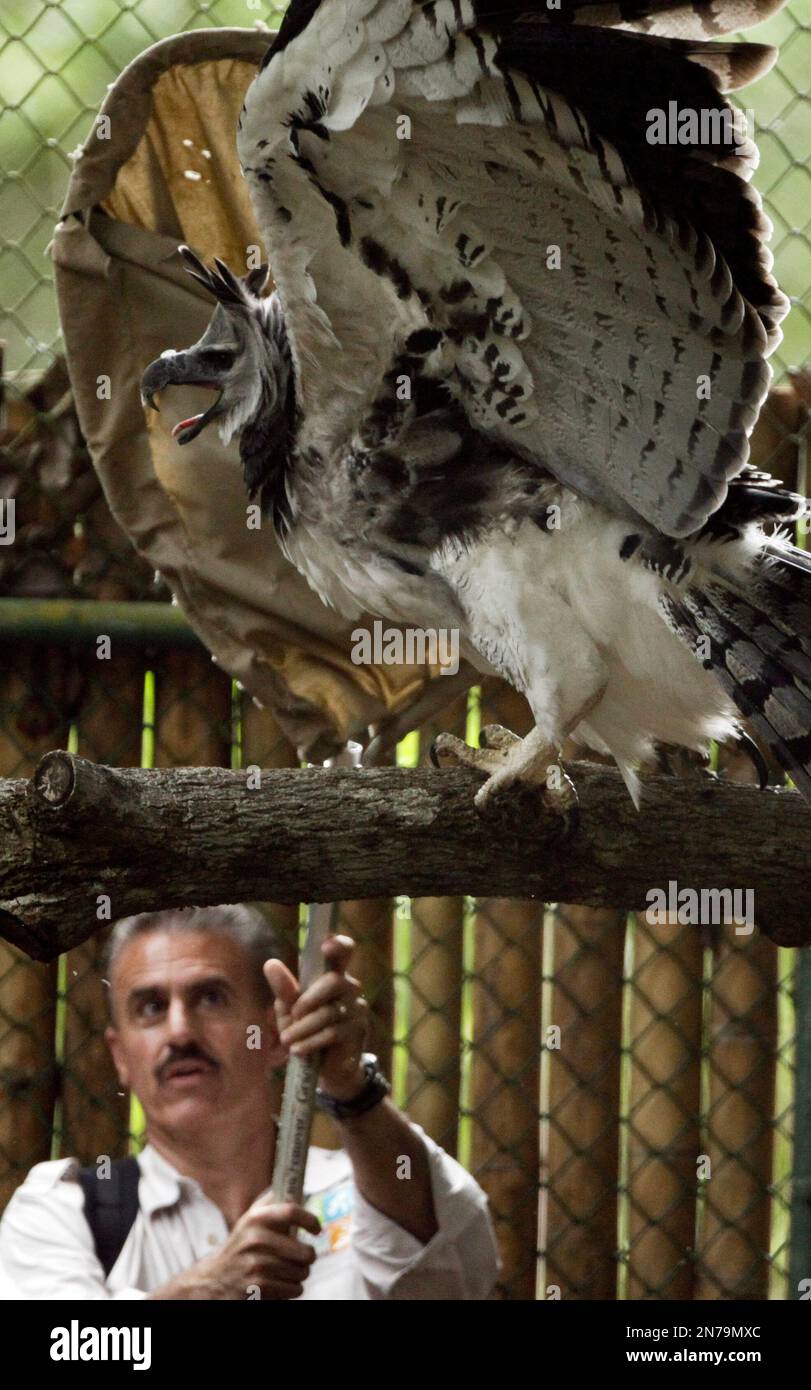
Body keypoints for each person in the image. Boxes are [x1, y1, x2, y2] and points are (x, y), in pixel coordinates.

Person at [0, 905, 499, 1300]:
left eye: (211, 998)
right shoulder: (62, 1213)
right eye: (151, 1008)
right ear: (121, 1057)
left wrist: (351, 1085)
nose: (180, 1031)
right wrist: (206, 1293)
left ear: (278, 1033)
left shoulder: (366, 1194)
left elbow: (454, 1274)